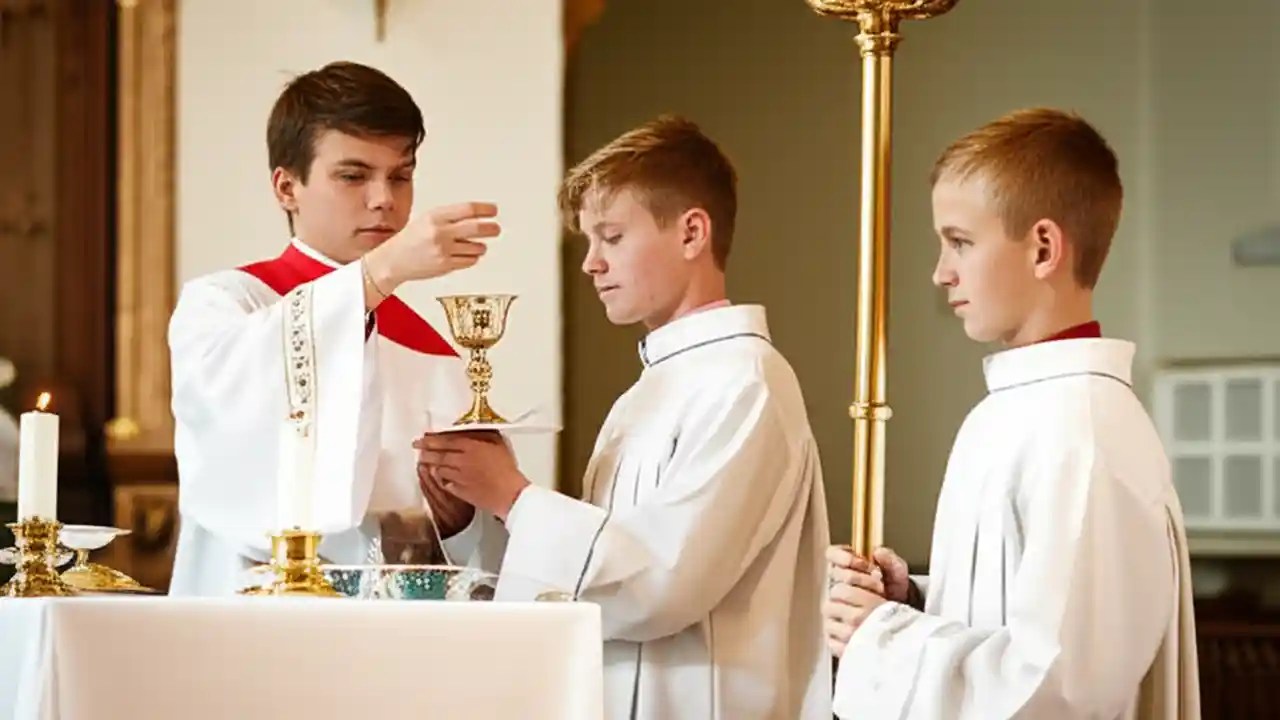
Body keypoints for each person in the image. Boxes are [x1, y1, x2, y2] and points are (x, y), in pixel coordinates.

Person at [417, 116, 833, 719]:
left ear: (692, 232)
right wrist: (470, 511)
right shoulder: (649, 390)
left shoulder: (745, 380)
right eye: (589, 241)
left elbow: (663, 583)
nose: (591, 263)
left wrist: (515, 497)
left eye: (611, 237)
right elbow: (595, 574)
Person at [825, 108, 1200, 719]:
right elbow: (1010, 619)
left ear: (1044, 247)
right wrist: (912, 601)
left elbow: (1062, 688)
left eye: (960, 243)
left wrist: (884, 638)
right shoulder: (1017, 411)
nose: (941, 272)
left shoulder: (1083, 431)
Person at [167, 61, 506, 596]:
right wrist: (381, 272)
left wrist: (460, 518)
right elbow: (227, 445)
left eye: (401, 175)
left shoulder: (433, 347)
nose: (385, 200)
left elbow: (464, 549)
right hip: (248, 622)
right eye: (353, 175)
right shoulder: (227, 305)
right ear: (287, 187)